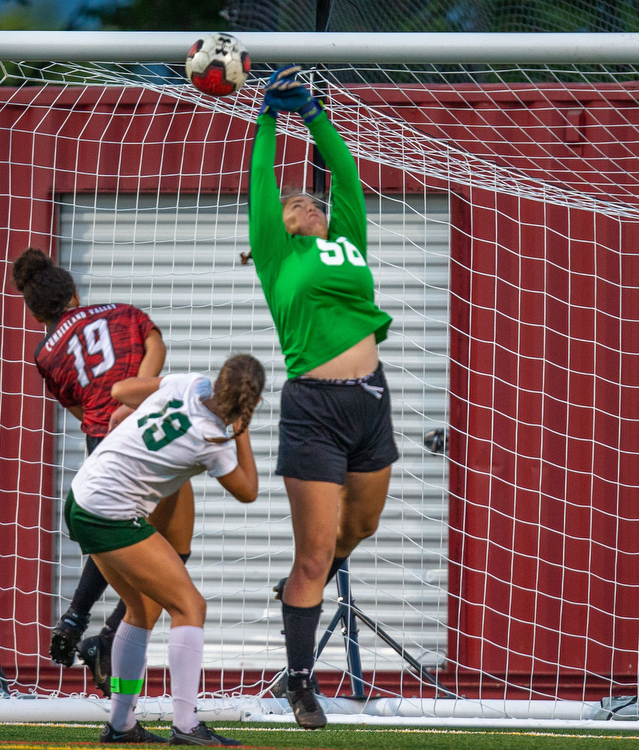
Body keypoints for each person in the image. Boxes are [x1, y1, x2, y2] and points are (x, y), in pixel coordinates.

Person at [246, 66, 399, 730]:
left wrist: (313, 114)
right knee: (312, 556)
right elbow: (261, 184)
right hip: (313, 409)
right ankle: (302, 684)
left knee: (359, 527)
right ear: (279, 227)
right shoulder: (278, 256)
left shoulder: (347, 240)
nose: (307, 203)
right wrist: (267, 119)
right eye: (294, 205)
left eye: (312, 200)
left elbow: (346, 175)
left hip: (371, 401)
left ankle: (297, 596)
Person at [11, 247, 195, 697]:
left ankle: (78, 617)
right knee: (173, 551)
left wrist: (112, 415)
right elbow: (156, 344)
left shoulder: (45, 353)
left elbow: (78, 408)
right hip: (146, 434)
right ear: (75, 293)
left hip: (103, 441)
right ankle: (108, 636)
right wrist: (137, 399)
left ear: (36, 314)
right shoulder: (120, 312)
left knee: (119, 537)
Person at [66, 354, 264, 746]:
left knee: (141, 609)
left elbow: (120, 390)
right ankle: (186, 725)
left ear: (218, 380)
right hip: (109, 513)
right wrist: (241, 430)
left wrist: (132, 411)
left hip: (82, 496)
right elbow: (248, 491)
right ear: (251, 404)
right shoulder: (213, 441)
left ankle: (121, 724)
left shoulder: (188, 383)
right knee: (191, 607)